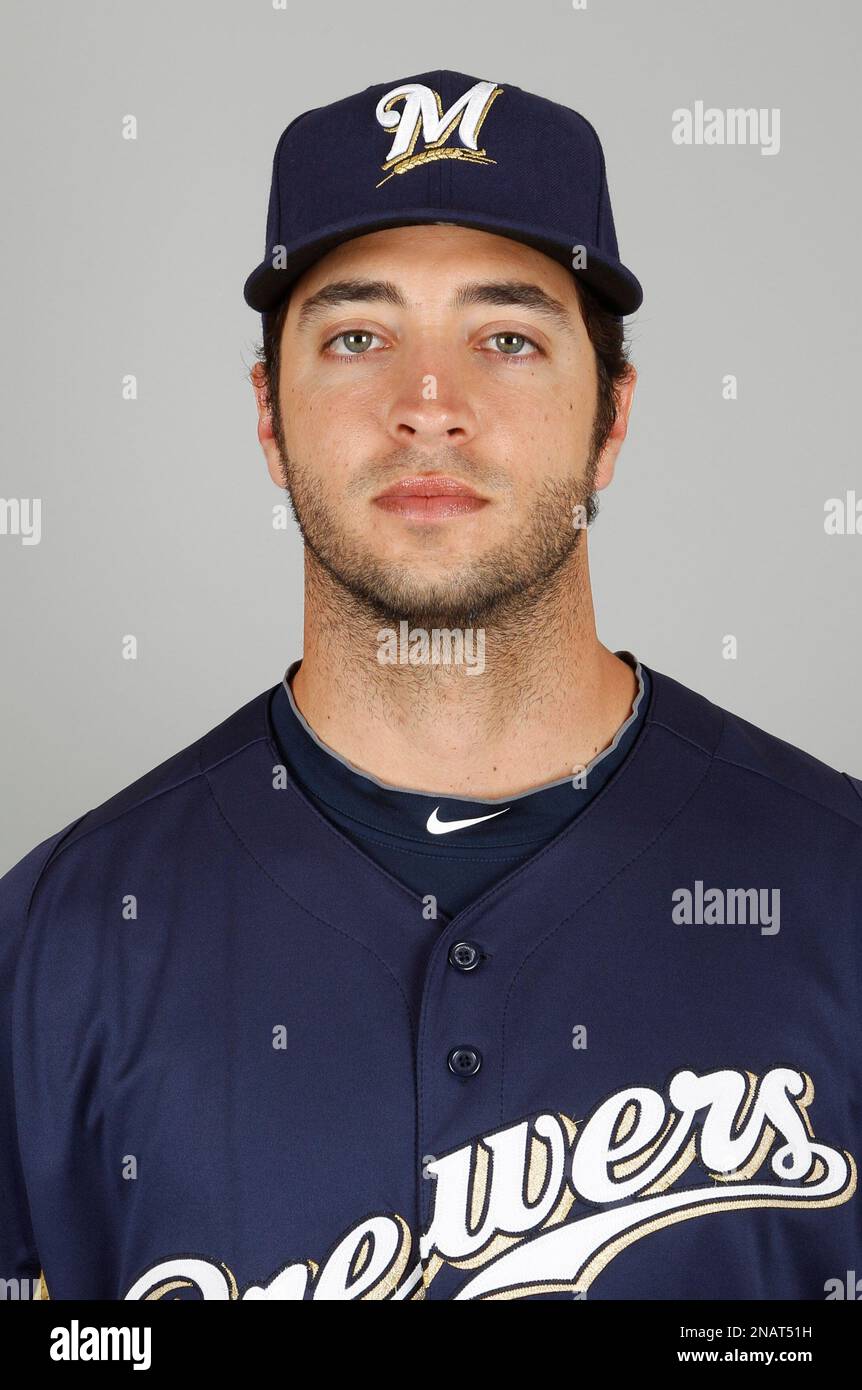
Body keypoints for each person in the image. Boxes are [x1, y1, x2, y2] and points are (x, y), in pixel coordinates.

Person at [1, 70, 859, 1302]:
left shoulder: (836, 891)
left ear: (611, 417)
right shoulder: (52, 945)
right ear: (267, 414)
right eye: (358, 335)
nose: (427, 407)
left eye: (505, 338)